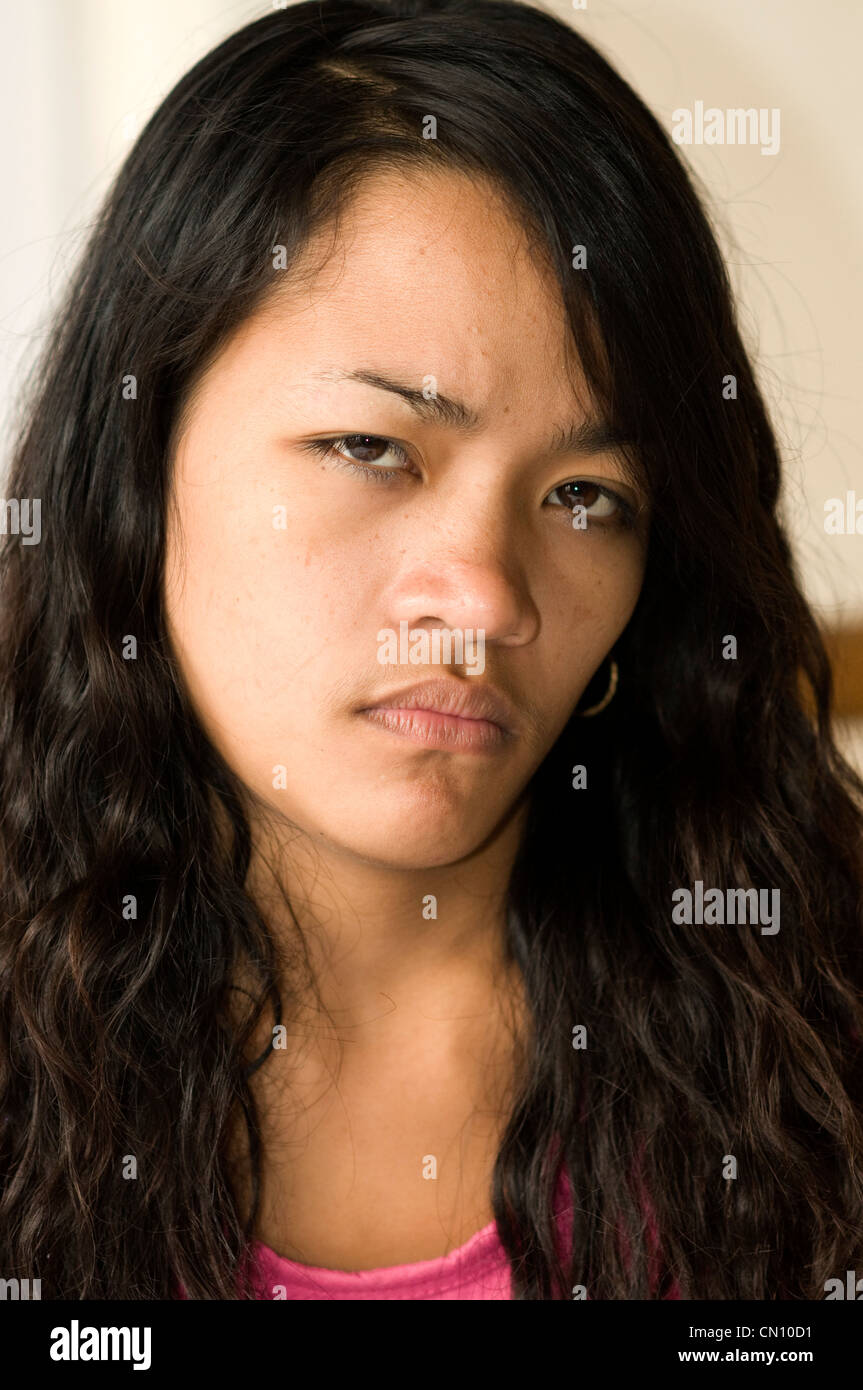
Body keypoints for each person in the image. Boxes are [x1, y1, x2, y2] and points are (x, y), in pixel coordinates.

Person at [1, 0, 862, 1301]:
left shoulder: (818, 1030)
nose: (489, 597)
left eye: (587, 497)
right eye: (372, 448)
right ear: (138, 459)